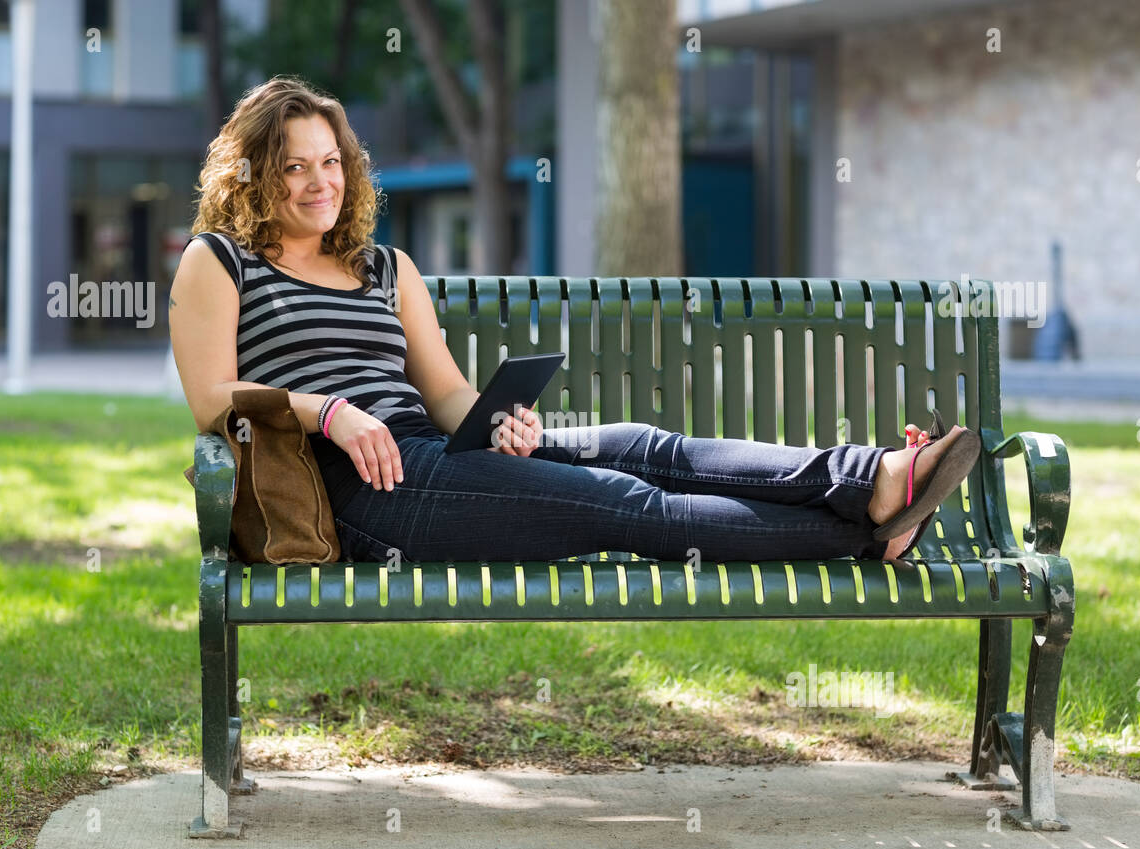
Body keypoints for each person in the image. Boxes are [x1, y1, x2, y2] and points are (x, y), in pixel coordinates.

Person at [169, 76, 979, 566]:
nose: (322, 183)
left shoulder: (384, 267)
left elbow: (445, 395)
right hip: (354, 490)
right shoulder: (220, 261)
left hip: (431, 453)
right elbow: (212, 400)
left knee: (641, 447)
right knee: (623, 502)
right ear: (253, 176)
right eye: (295, 168)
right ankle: (868, 526)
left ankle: (866, 479)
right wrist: (329, 412)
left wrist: (498, 423)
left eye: (332, 161)